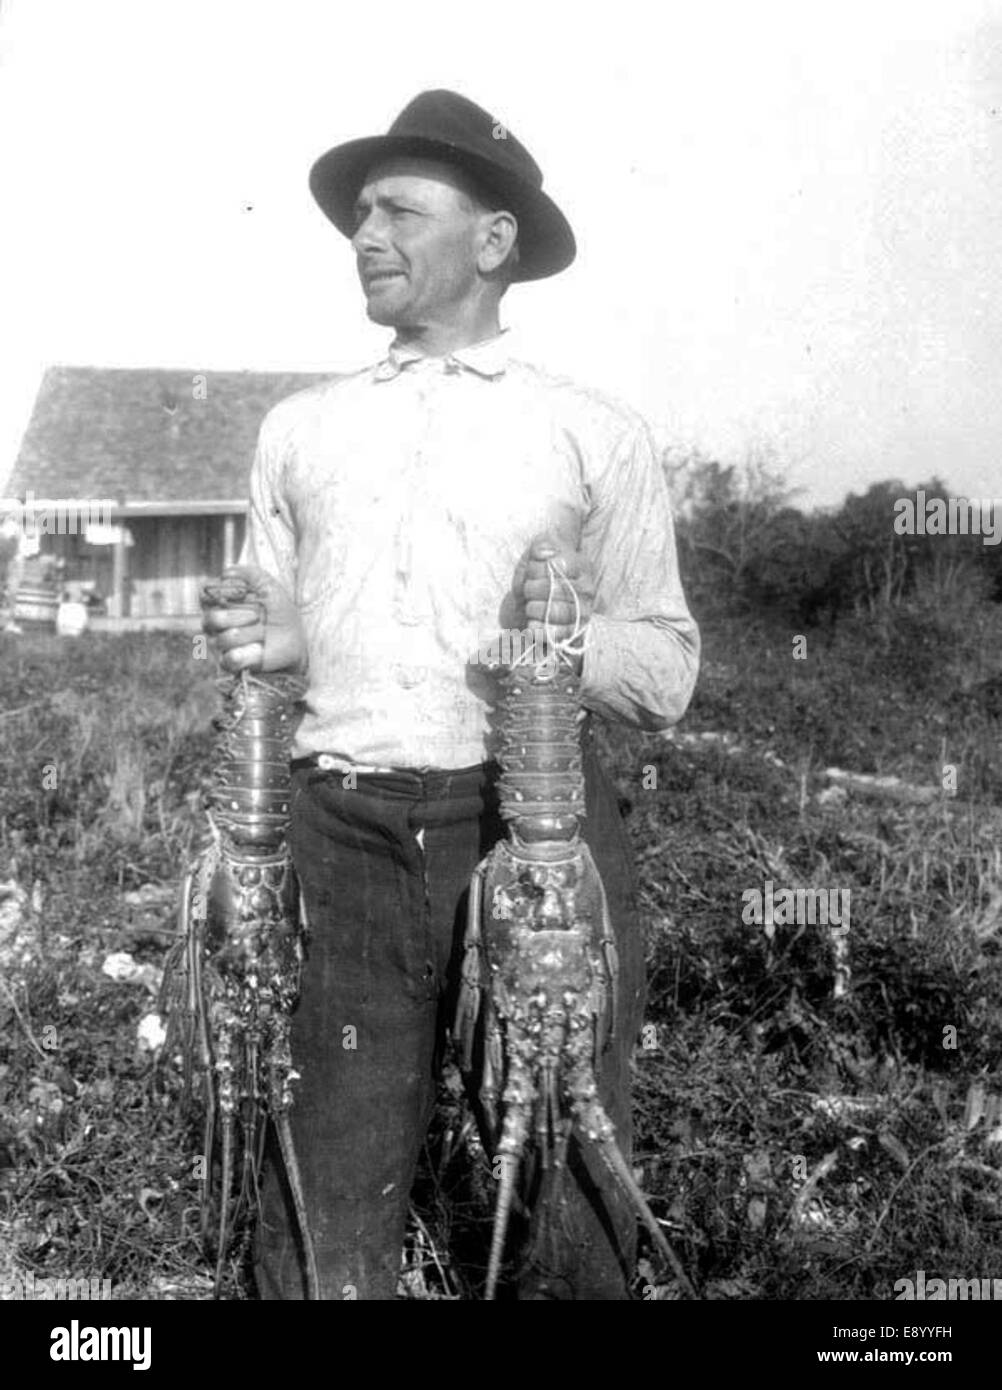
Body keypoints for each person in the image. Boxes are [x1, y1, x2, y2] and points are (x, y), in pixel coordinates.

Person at [203, 89, 700, 1300]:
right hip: (340, 837)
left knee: (575, 1195)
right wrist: (275, 642)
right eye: (359, 213)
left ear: (492, 242)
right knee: (320, 1213)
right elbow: (287, 650)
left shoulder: (594, 433)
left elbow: (669, 667)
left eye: (399, 209)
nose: (364, 234)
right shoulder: (298, 430)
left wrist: (564, 647)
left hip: (530, 842)